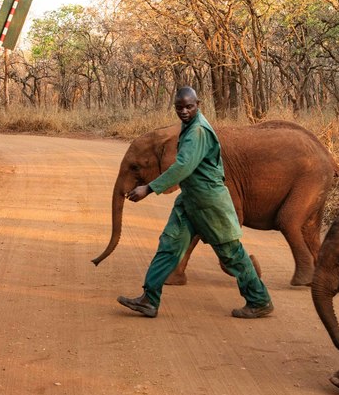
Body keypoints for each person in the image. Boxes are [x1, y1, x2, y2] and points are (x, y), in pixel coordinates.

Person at [117, 86, 273, 319]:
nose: (184, 111)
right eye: (179, 108)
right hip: (190, 200)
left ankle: (259, 300)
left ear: (198, 104)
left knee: (231, 253)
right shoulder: (188, 128)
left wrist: (149, 188)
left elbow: (182, 167)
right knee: (169, 245)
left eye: (189, 106)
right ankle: (149, 299)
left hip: (210, 202)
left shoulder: (198, 131)